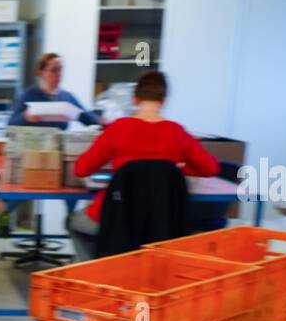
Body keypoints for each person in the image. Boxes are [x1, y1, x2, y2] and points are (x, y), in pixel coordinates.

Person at [68, 71, 219, 261]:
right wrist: (175, 170)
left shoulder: (118, 128)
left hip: (119, 221)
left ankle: (95, 271)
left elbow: (81, 169)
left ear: (135, 99)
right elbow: (211, 168)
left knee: (74, 222)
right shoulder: (177, 132)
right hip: (162, 225)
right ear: (164, 101)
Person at [7, 53, 101, 130]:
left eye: (60, 69)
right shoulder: (30, 95)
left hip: (58, 150)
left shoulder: (66, 99)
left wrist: (103, 122)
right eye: (54, 70)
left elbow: (87, 119)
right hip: (32, 150)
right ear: (41, 73)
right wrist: (25, 117)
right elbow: (11, 124)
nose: (59, 74)